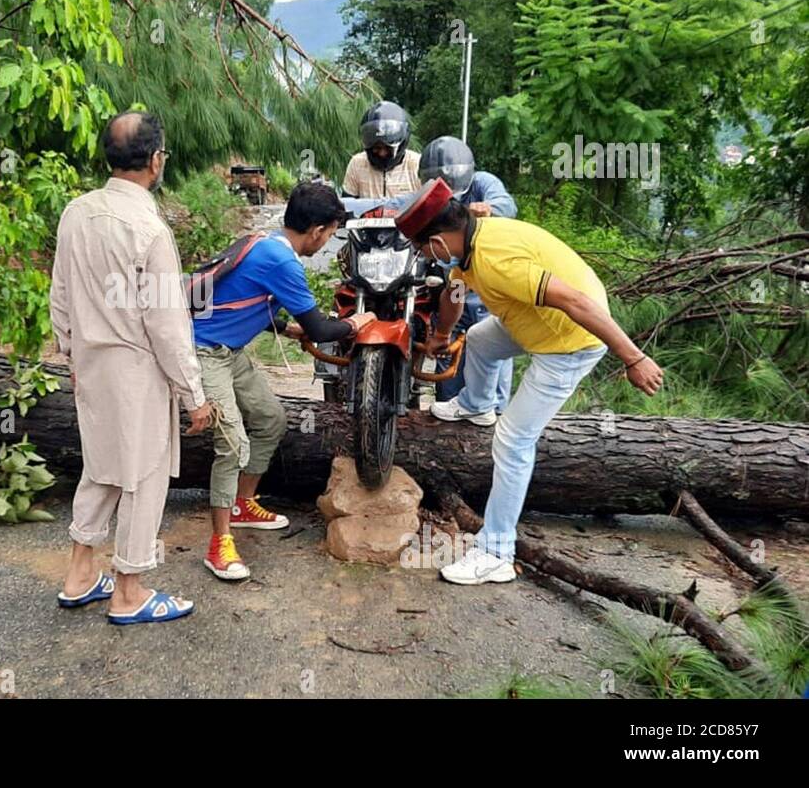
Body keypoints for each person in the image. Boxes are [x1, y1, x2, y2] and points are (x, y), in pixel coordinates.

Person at [394, 179, 664, 585]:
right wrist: (442, 335)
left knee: (513, 439)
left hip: (571, 340)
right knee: (482, 339)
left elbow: (575, 303)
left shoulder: (496, 261)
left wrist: (634, 357)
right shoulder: (469, 243)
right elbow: (454, 291)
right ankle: (477, 405)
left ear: (437, 240)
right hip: (531, 320)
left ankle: (496, 551)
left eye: (421, 248)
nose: (422, 256)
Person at [50, 110, 213, 625]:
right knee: (141, 476)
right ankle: (130, 590)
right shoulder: (149, 230)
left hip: (92, 365)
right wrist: (194, 394)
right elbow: (167, 325)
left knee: (101, 466)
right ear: (156, 161)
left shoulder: (76, 212)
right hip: (137, 372)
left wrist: (70, 352)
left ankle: (79, 576)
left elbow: (60, 293)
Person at [193, 181, 376, 580]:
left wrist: (281, 326)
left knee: (271, 418)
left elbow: (238, 298)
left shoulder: (265, 244)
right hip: (204, 352)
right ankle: (218, 545)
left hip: (231, 352)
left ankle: (242, 504)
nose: (325, 242)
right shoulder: (284, 261)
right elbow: (322, 328)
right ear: (317, 230)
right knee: (232, 444)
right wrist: (355, 323)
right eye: (329, 235)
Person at [417, 136, 517, 411]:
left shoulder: (484, 183)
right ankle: (449, 414)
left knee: (490, 353)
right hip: (452, 286)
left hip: (485, 292)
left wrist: (489, 209)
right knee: (448, 356)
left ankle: (493, 417)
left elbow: (507, 205)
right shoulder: (426, 199)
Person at [342, 101, 420, 199]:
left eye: (388, 148)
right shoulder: (357, 163)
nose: (382, 153)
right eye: (376, 148)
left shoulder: (416, 165)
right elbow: (347, 206)